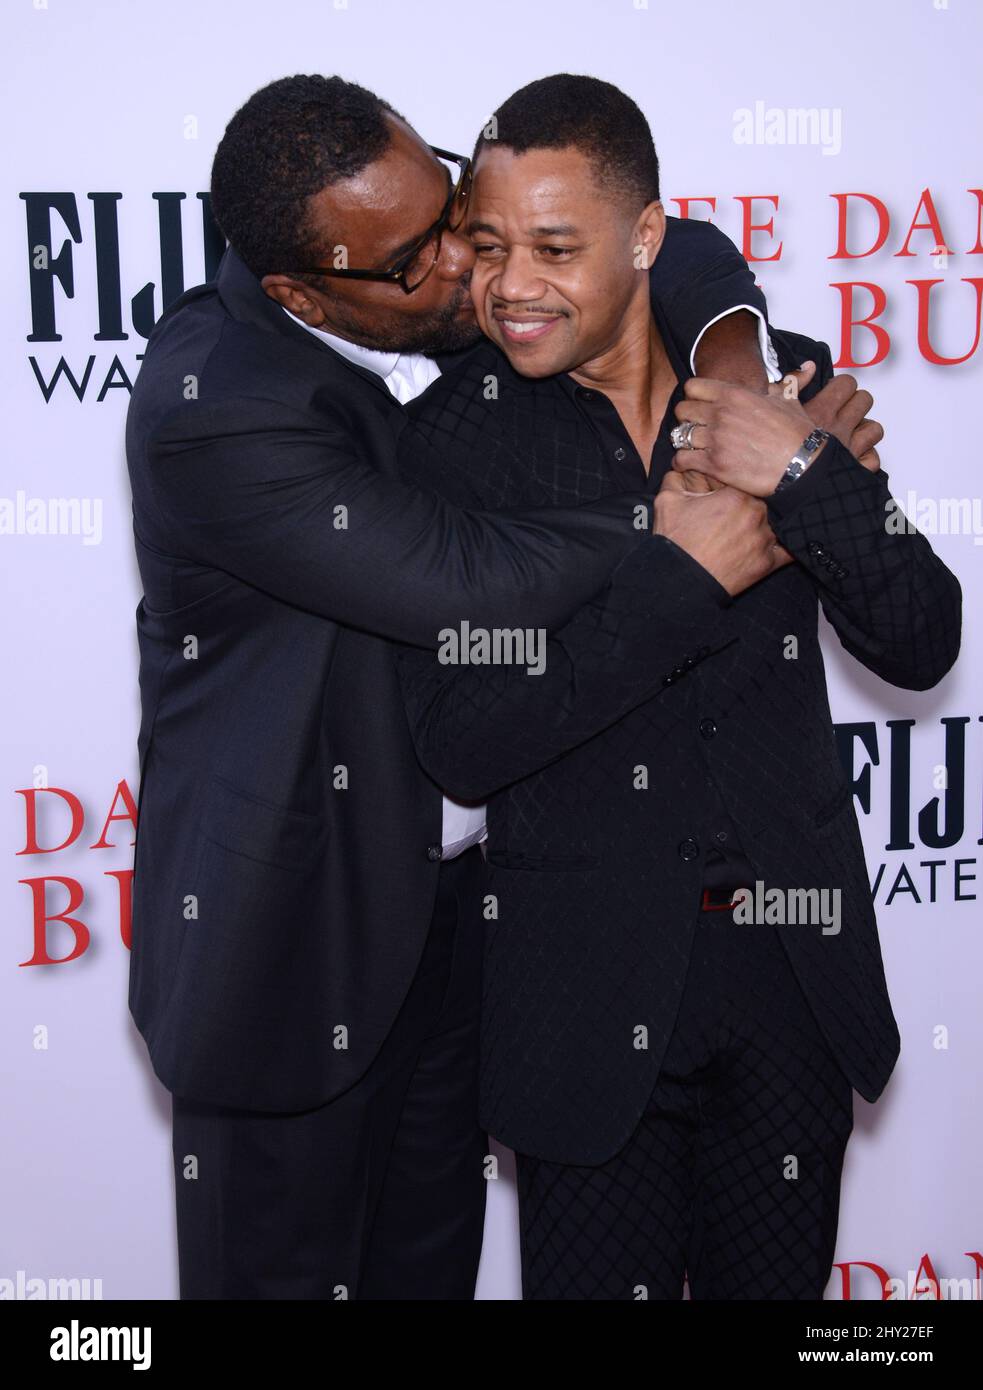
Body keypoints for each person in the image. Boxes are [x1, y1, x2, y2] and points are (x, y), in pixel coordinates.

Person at [125, 72, 779, 1299]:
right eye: (413, 256)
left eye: (449, 210)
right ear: (301, 290)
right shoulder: (217, 409)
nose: (460, 266)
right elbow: (462, 574)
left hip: (469, 928)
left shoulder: (421, 256)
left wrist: (732, 366)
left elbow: (658, 235)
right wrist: (713, 497)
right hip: (292, 946)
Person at [394, 73, 962, 1300]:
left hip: (789, 981)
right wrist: (672, 579)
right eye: (487, 246)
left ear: (648, 238)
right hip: (578, 997)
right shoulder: (451, 444)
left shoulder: (774, 387)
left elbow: (920, 638)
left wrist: (797, 468)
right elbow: (458, 735)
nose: (511, 285)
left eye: (555, 246)